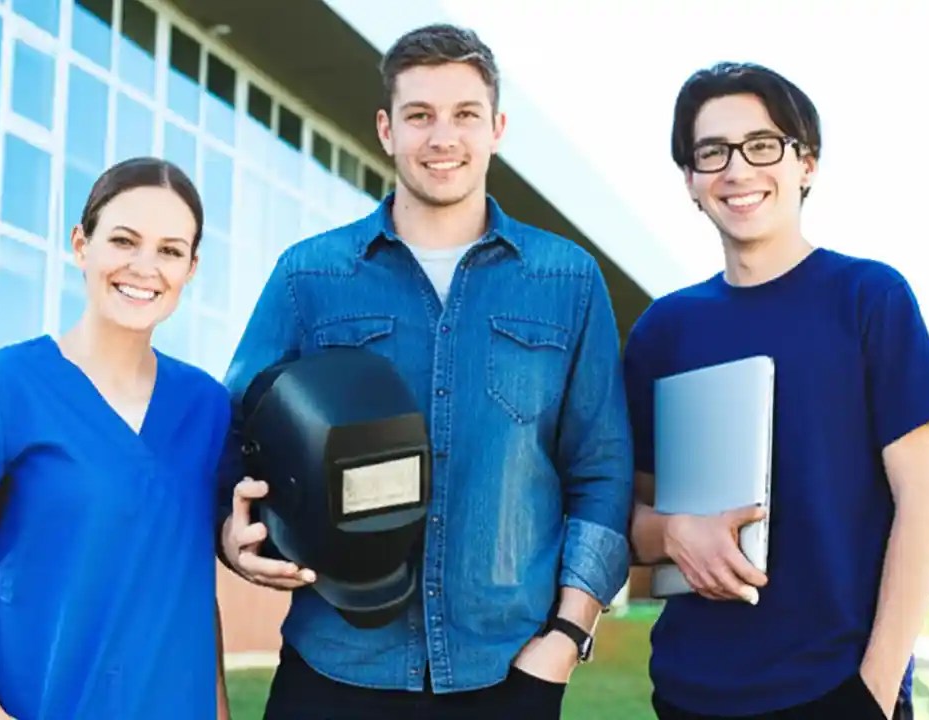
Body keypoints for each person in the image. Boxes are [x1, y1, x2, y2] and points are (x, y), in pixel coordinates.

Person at [217, 23, 632, 720]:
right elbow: (235, 432)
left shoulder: (568, 281)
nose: (443, 137)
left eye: (465, 114)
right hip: (335, 663)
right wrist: (235, 534)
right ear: (386, 129)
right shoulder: (309, 275)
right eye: (420, 116)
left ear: (497, 128)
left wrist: (566, 635)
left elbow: (602, 468)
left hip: (507, 674)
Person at [624, 62, 929, 720]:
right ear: (690, 180)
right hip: (691, 692)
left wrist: (874, 688)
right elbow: (623, 520)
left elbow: (924, 503)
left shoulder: (869, 298)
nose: (738, 170)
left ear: (806, 163)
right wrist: (673, 533)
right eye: (712, 152)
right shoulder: (663, 330)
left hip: (839, 691)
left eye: (763, 145)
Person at [0, 157, 232, 720]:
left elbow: (188, 584)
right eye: (123, 240)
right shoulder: (3, 387)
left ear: (191, 268)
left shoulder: (207, 406)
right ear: (80, 244)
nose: (145, 267)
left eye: (170, 250)